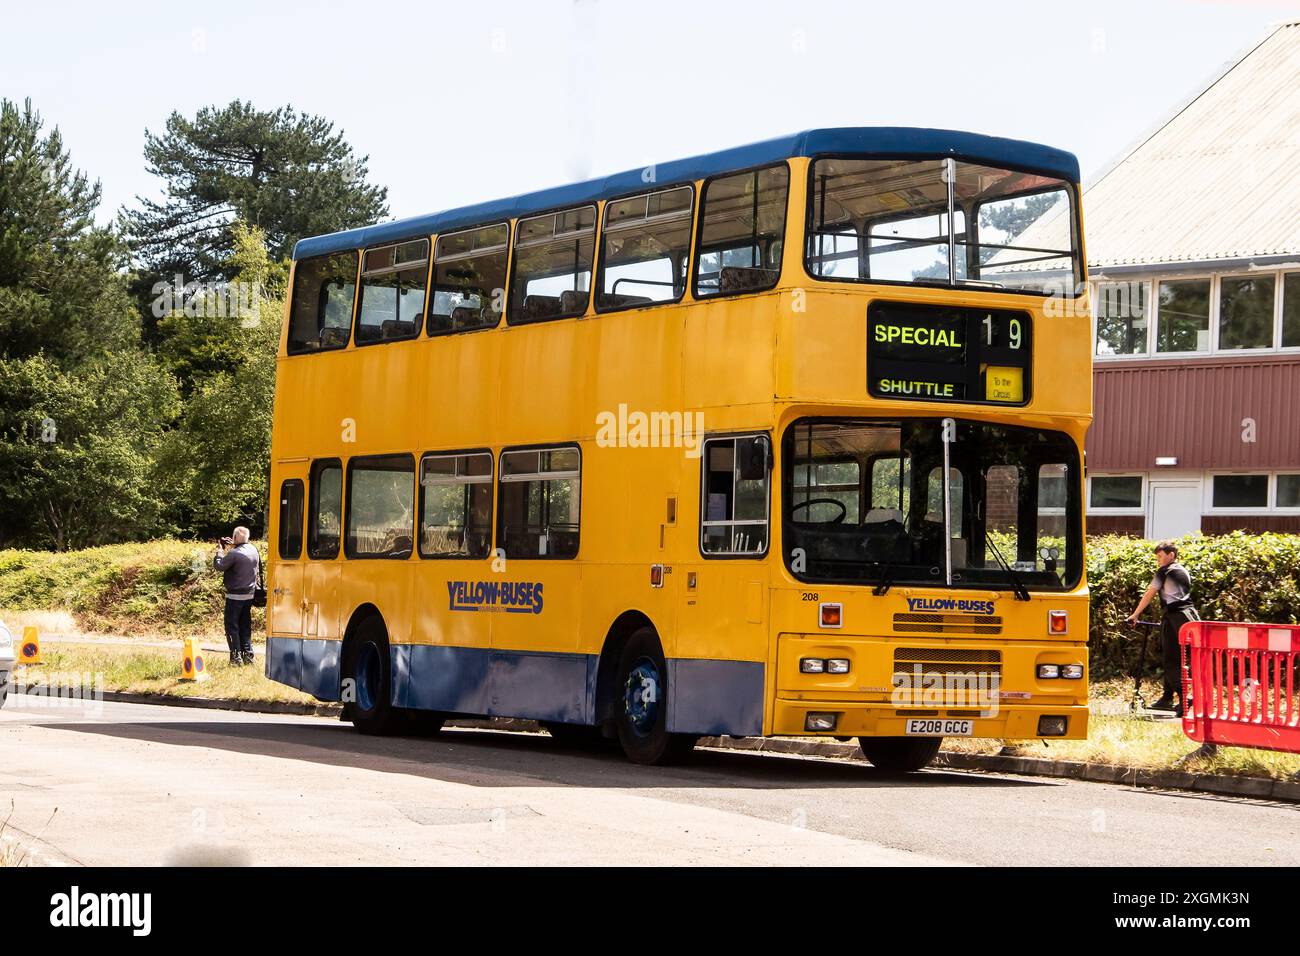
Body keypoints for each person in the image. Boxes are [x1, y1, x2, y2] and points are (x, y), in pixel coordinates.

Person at [1125, 540, 1199, 715]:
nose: (1158, 560)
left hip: (1174, 617)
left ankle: (1184, 699)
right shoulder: (1183, 570)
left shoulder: (1164, 571)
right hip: (1191, 617)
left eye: (1160, 556)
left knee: (1172, 660)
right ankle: (1167, 697)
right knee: (1186, 658)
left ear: (1171, 555)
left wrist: (1135, 614)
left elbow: (1150, 593)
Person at [214, 527, 260, 666]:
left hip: (235, 596)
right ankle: (248, 656)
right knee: (245, 626)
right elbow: (244, 547)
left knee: (232, 627)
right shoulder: (253, 550)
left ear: (235, 537)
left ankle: (236, 658)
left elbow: (219, 565)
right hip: (249, 595)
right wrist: (235, 543)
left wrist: (220, 551)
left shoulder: (234, 554)